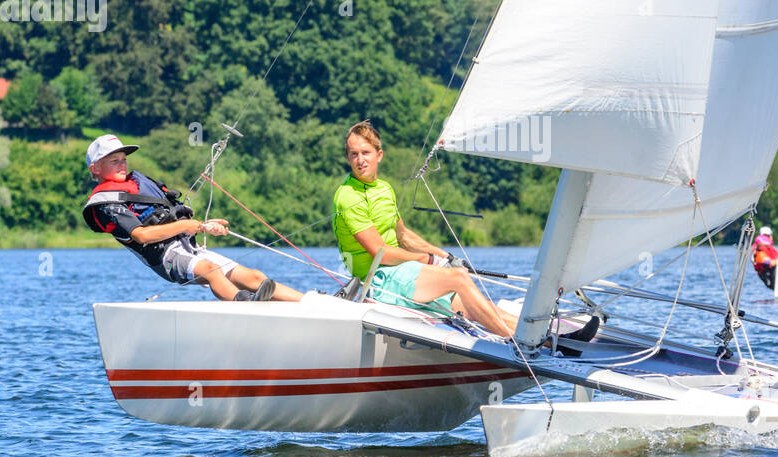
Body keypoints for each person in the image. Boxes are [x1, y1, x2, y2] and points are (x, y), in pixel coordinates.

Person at [332, 120, 597, 342]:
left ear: (379, 155)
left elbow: (404, 236)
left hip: (402, 273)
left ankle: (550, 338)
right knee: (459, 278)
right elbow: (380, 252)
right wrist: (428, 260)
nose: (359, 160)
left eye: (365, 152)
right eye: (353, 154)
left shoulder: (384, 189)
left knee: (474, 305)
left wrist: (444, 256)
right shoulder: (348, 196)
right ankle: (528, 342)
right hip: (379, 280)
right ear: (347, 158)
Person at [82, 133, 302, 302]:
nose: (122, 164)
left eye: (123, 159)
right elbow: (141, 236)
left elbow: (174, 217)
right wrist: (186, 226)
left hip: (187, 245)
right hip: (165, 256)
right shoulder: (106, 204)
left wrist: (205, 227)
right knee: (211, 271)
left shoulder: (138, 183)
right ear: (96, 168)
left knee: (254, 277)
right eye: (114, 161)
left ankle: (310, 302)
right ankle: (245, 306)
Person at [752, 225, 778, 289]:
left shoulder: (768, 249)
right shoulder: (760, 254)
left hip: (774, 274)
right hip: (768, 277)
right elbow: (770, 263)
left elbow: (776, 260)